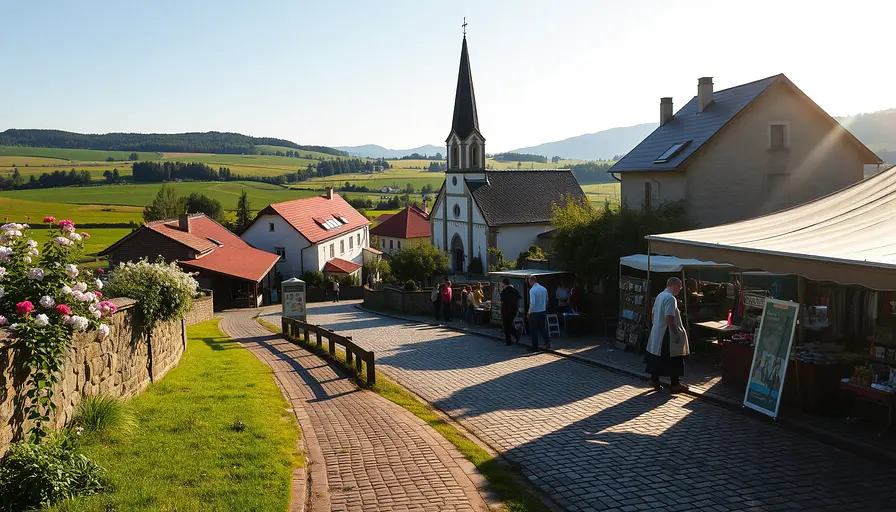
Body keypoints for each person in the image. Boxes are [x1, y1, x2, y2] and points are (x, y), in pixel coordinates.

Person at [645, 277, 690, 393]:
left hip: (658, 331)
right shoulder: (670, 298)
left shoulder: (660, 295)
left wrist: (657, 325)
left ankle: (654, 379)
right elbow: (669, 317)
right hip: (667, 332)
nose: (680, 289)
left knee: (658, 356)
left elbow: (653, 314)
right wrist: (675, 332)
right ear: (674, 285)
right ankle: (675, 384)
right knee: (674, 358)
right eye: (679, 287)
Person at [527, 275, 550, 351]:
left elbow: (532, 302)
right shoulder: (544, 289)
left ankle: (534, 347)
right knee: (543, 328)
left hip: (534, 313)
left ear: (531, 281)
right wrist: (544, 308)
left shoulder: (532, 290)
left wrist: (529, 312)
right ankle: (547, 342)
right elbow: (547, 300)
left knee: (534, 330)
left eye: (529, 282)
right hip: (542, 312)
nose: (529, 283)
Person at [499, 278, 522, 345]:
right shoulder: (514, 290)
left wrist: (501, 310)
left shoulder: (504, 291)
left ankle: (509, 340)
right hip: (513, 310)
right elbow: (518, 300)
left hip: (506, 311)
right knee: (509, 324)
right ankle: (516, 335)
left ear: (503, 283)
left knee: (506, 326)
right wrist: (517, 309)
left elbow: (502, 302)